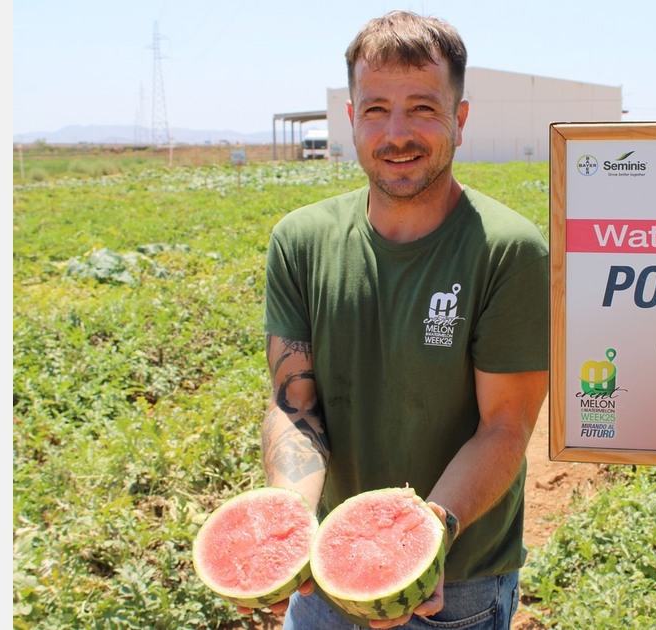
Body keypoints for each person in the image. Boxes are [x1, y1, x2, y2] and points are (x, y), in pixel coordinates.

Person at [244, 9, 550, 629]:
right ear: (353, 118)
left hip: (456, 580)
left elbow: (505, 425)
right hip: (323, 572)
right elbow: (292, 403)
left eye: (423, 108)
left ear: (459, 121)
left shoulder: (508, 249)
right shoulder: (299, 241)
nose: (397, 133)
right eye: (377, 109)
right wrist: (288, 523)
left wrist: (427, 535)